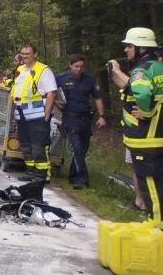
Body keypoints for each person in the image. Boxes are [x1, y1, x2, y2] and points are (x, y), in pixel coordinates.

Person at [108, 27, 163, 222]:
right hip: (158, 136)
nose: (126, 50)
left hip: (145, 138)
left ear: (141, 48)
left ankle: (156, 224)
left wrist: (146, 112)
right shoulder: (159, 68)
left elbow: (142, 94)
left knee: (148, 183)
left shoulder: (142, 71)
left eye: (129, 46)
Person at [55, 54, 106, 189]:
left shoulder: (89, 79)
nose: (79, 69)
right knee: (76, 147)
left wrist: (102, 116)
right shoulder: (61, 78)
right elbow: (49, 93)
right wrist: (55, 102)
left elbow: (98, 97)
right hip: (70, 117)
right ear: (70, 65)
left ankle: (73, 175)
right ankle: (82, 180)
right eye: (76, 66)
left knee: (82, 149)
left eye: (81, 66)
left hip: (85, 118)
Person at [12, 44, 58, 181]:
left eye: (27, 54)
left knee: (38, 145)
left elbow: (51, 92)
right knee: (25, 144)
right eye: (22, 53)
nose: (24, 56)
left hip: (38, 115)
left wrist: (47, 113)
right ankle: (31, 171)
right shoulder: (20, 69)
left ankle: (41, 174)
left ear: (35, 54)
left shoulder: (43, 70)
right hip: (21, 114)